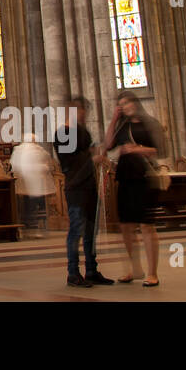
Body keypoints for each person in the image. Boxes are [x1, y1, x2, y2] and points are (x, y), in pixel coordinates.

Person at [106, 90, 163, 287]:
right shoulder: (122, 125)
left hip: (144, 179)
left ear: (136, 103)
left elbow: (160, 150)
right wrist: (114, 119)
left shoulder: (150, 124)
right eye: (122, 104)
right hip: (125, 178)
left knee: (146, 226)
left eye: (128, 103)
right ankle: (134, 268)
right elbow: (107, 145)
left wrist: (136, 149)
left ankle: (152, 273)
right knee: (126, 226)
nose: (125, 106)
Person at [55, 96, 114, 288]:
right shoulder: (62, 133)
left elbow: (88, 152)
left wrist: (99, 152)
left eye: (84, 111)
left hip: (89, 187)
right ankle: (73, 273)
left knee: (91, 231)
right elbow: (69, 163)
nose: (83, 114)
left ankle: (91, 270)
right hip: (75, 188)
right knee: (76, 231)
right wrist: (93, 159)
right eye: (80, 110)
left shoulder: (83, 131)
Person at [11, 132, 55, 235]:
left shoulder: (19, 150)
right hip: (37, 184)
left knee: (27, 205)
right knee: (35, 205)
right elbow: (48, 161)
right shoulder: (38, 150)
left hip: (23, 184)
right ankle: (36, 225)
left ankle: (28, 224)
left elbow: (14, 165)